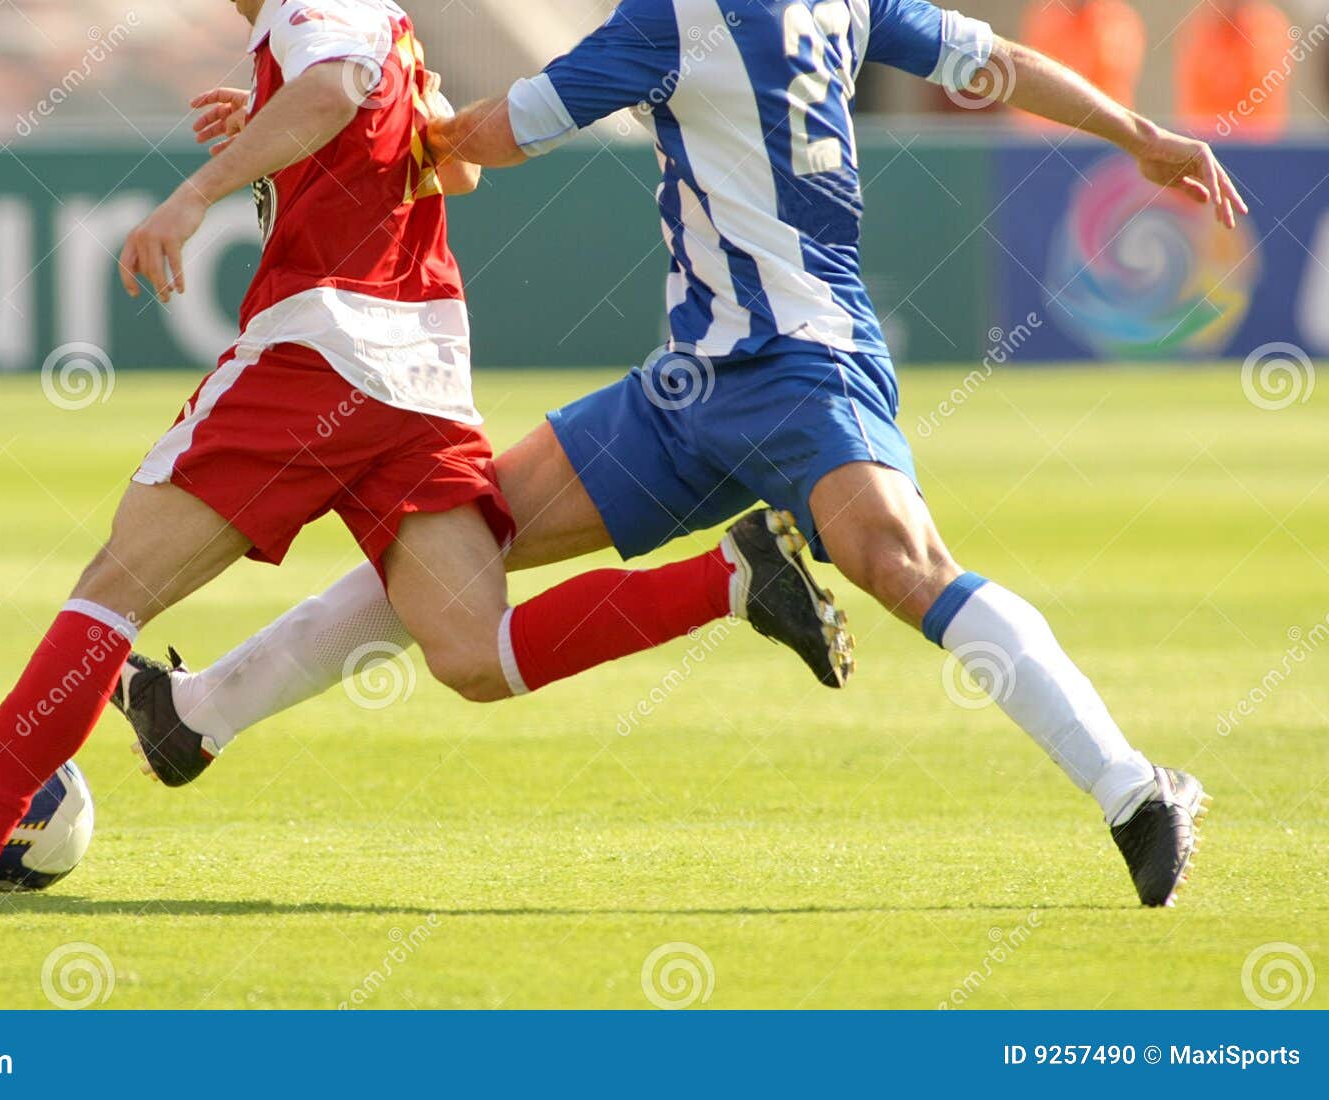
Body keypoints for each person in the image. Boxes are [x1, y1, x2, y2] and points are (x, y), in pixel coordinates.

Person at [112, 0, 1246, 908]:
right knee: (462, 543)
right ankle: (198, 708)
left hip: (806, 363)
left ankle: (1136, 788)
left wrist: (334, 118)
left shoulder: (668, 21)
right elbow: (988, 59)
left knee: (899, 562)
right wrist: (1136, 133)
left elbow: (477, 141)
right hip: (689, 384)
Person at [0, 0, 830, 898]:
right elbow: (454, 164)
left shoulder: (319, 12)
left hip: (322, 352)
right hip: (422, 372)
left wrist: (197, 190)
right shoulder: (381, 22)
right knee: (478, 654)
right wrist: (277, 122)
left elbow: (337, 90)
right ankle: (735, 577)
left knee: (111, 586)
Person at [1178, 0, 1294, 139]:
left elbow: (1258, 95)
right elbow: (1196, 109)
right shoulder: (1198, 31)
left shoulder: (1268, 29)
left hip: (1257, 144)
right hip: (1206, 140)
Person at [1016, 0, 1143, 127]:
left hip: (1102, 130)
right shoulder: (1047, 17)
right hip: (1041, 133)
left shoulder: (1116, 21)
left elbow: (1110, 79)